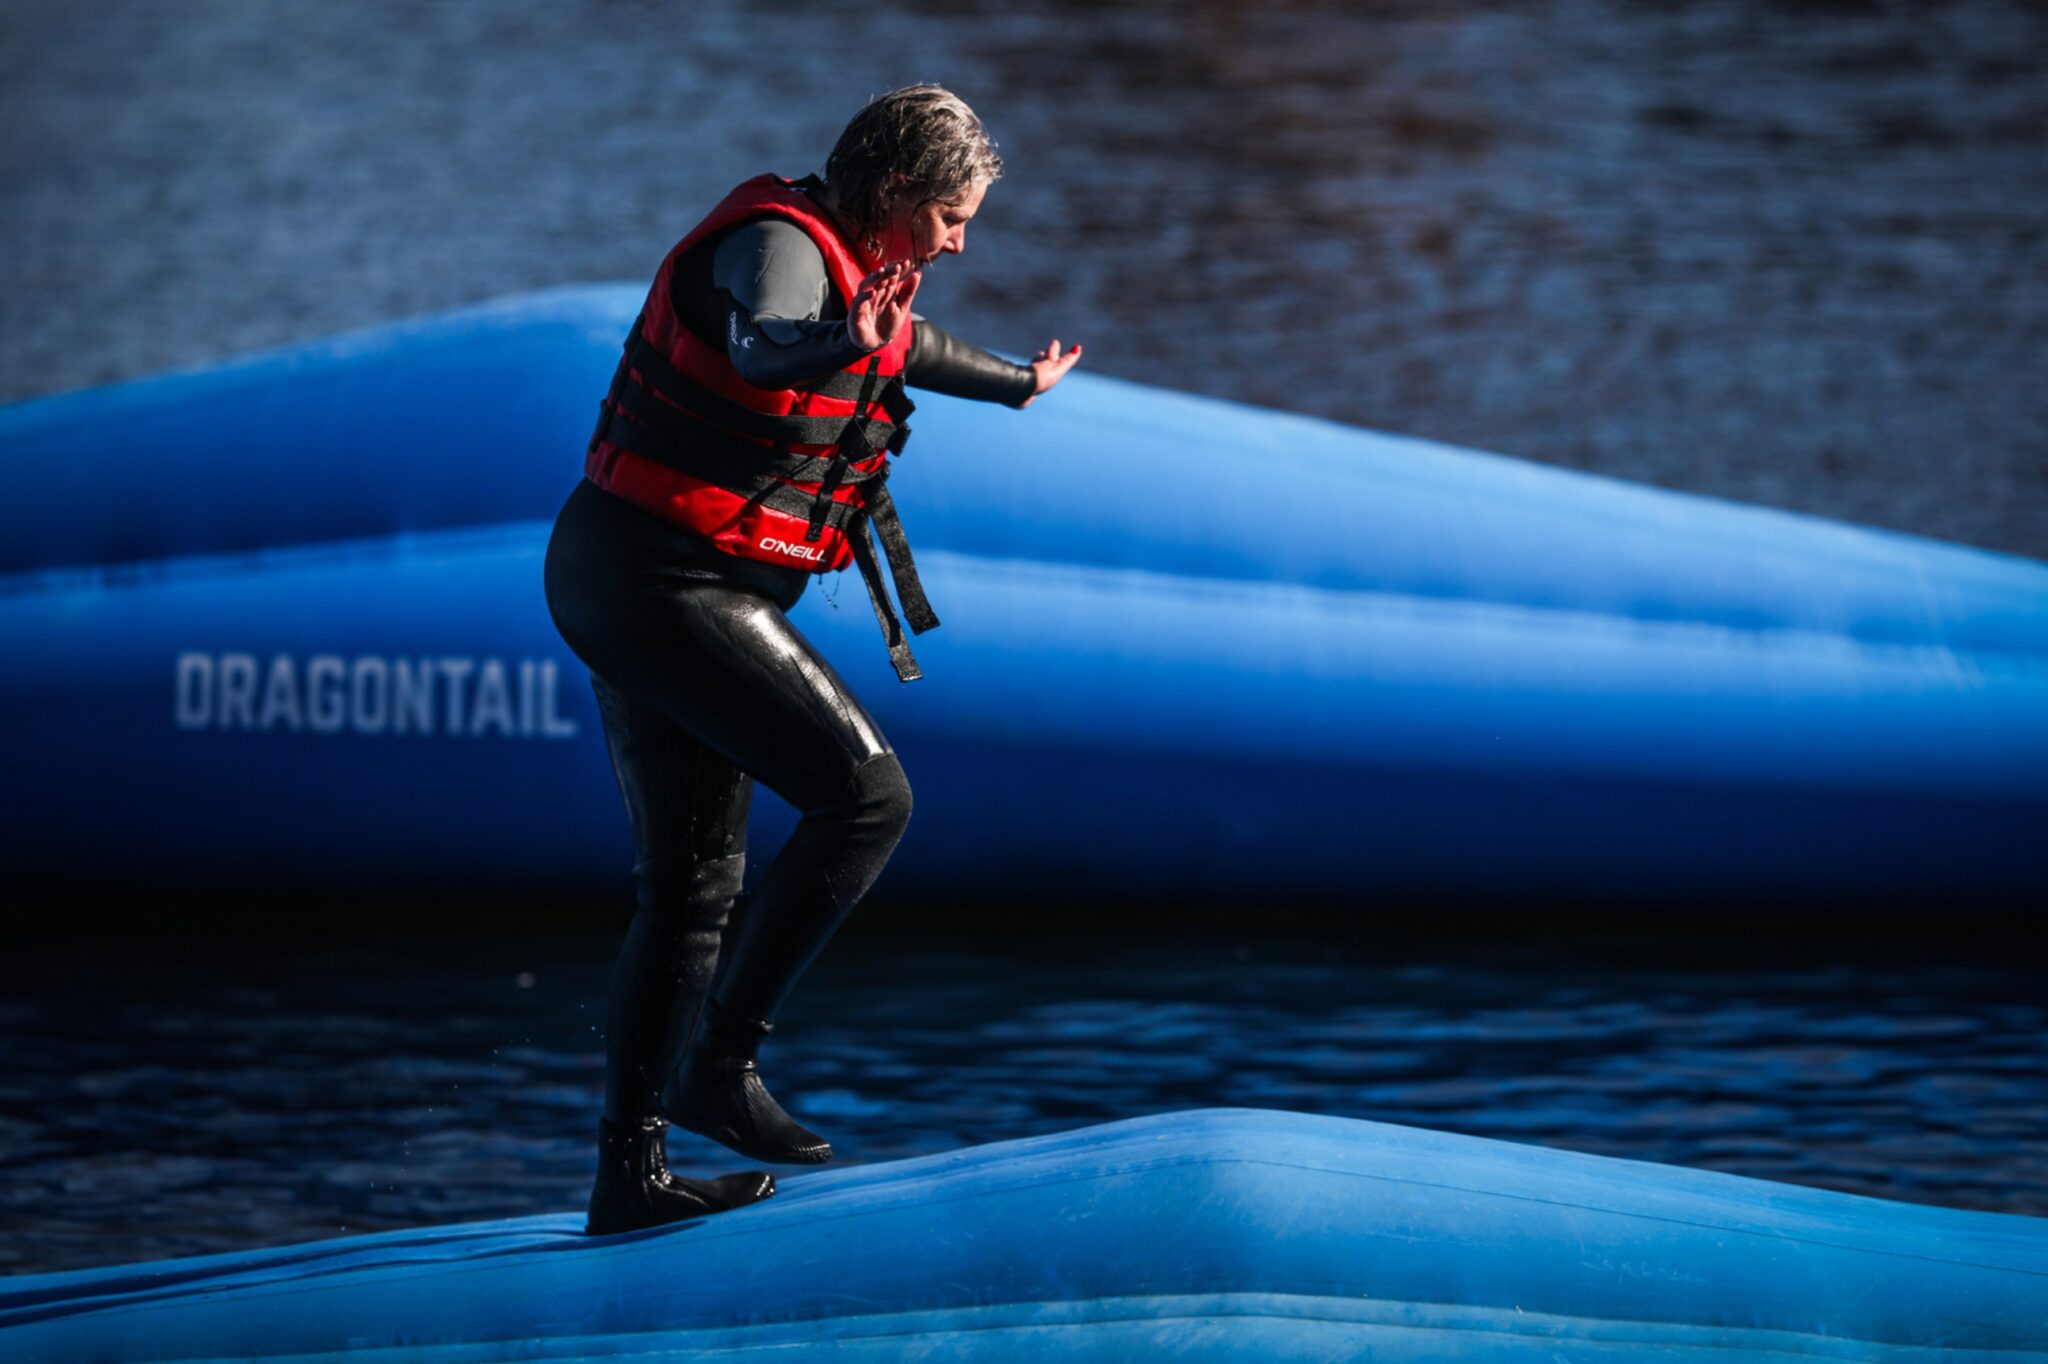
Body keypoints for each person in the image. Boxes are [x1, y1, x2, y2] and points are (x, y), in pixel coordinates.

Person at [544, 85, 1082, 1235]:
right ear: (891, 191)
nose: (957, 238)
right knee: (866, 798)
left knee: (693, 889)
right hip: (655, 580)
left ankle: (628, 1176)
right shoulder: (776, 249)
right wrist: (848, 338)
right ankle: (718, 1065)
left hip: (659, 582)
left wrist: (1018, 383)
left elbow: (910, 348)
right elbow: (761, 344)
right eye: (949, 214)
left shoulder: (861, 270)